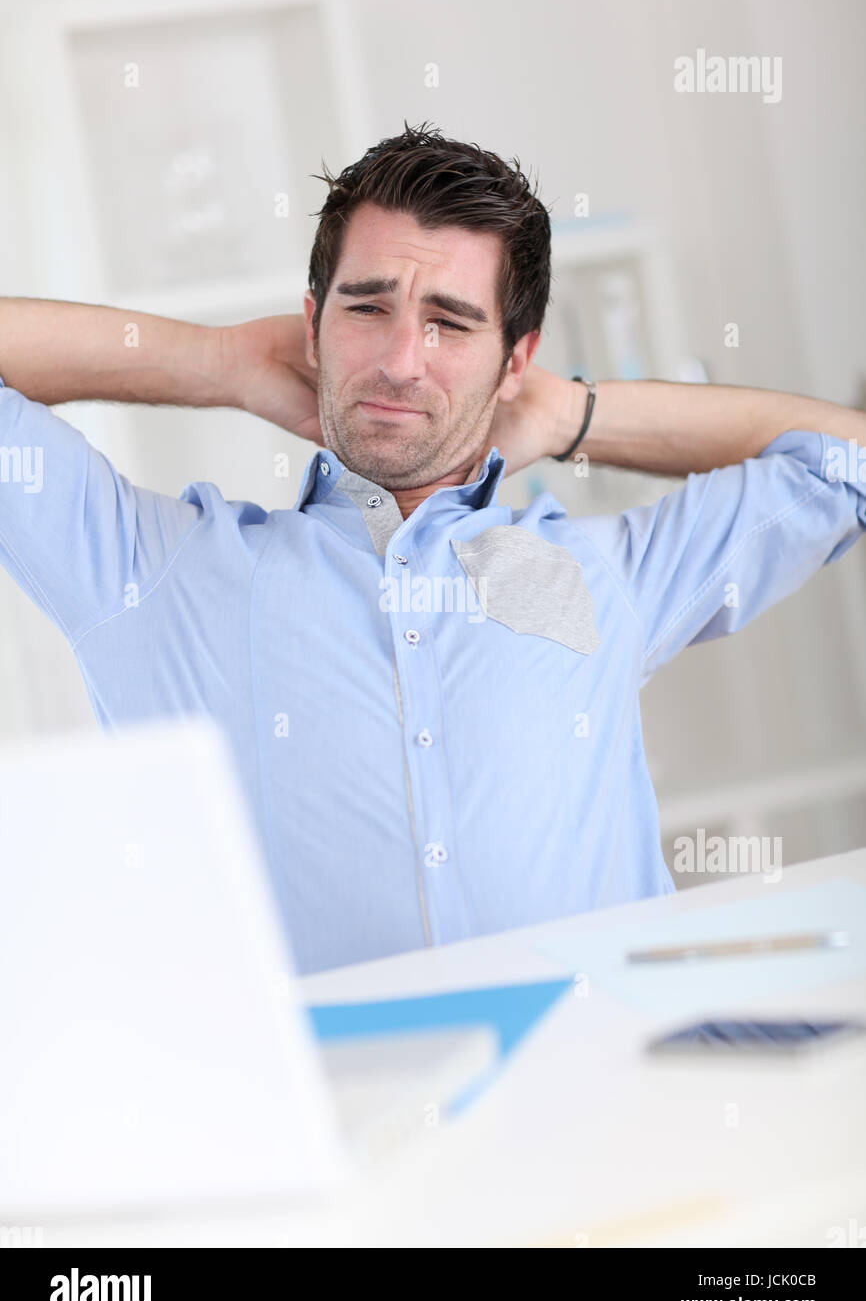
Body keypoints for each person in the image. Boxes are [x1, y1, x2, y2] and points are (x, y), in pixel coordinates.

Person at [1, 122, 864, 975]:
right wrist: (222, 359)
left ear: (515, 360)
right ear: (312, 327)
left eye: (450, 323)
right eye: (367, 308)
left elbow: (849, 459)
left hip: (611, 1064)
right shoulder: (155, 577)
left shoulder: (607, 575)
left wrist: (566, 415)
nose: (401, 361)